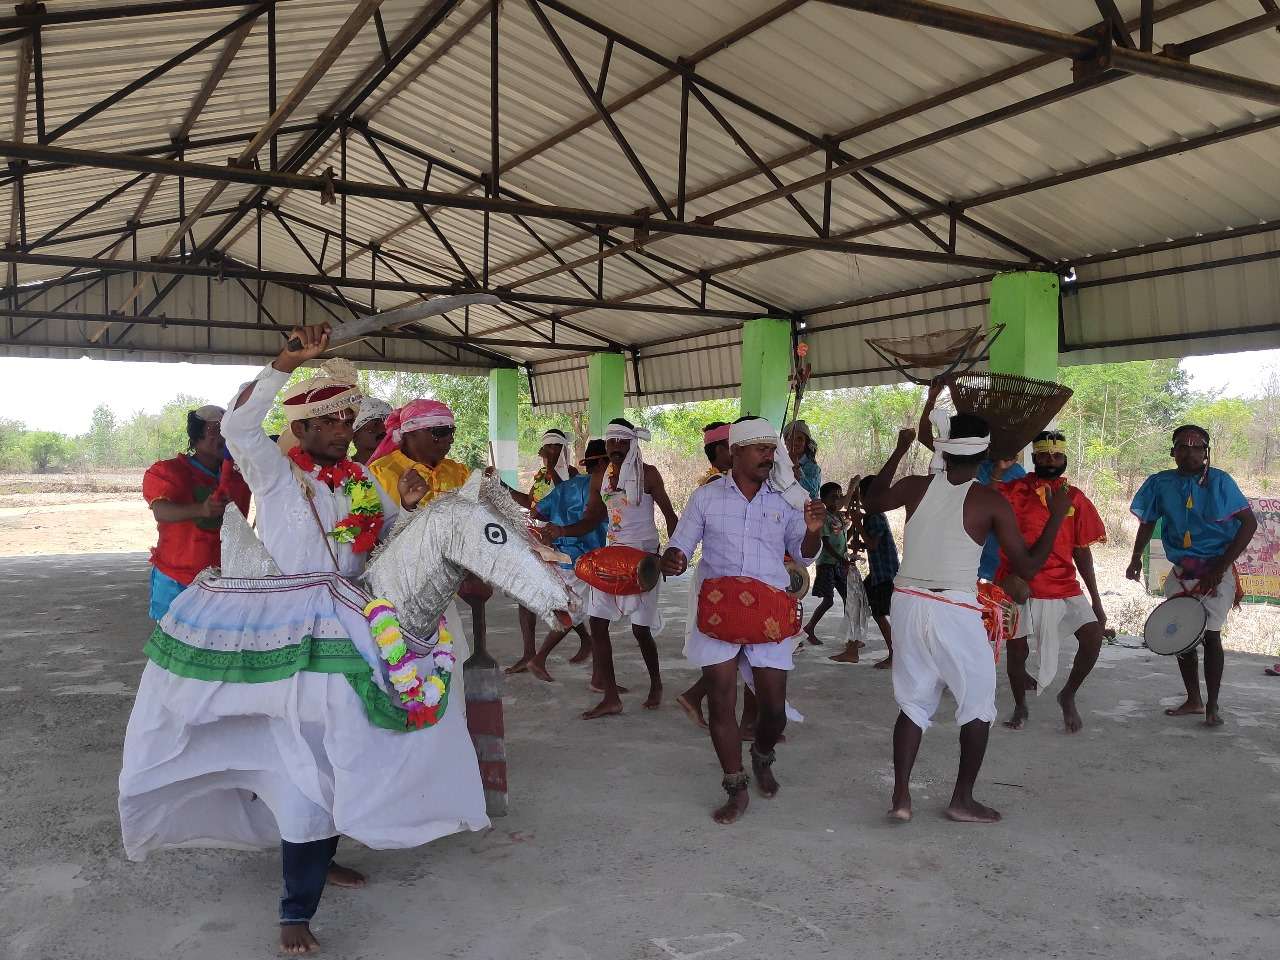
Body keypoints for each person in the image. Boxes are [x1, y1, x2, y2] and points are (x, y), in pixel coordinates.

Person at [119, 326, 489, 956]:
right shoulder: (275, 474)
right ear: (306, 428)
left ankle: (325, 853)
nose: (346, 426)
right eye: (332, 419)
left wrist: (424, 516)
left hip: (356, 618)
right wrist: (284, 364)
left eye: (348, 417)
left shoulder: (360, 479)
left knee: (348, 743)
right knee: (301, 758)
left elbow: (394, 533)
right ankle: (296, 904)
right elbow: (238, 429)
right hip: (290, 623)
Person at [865, 418, 1070, 824]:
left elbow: (871, 502)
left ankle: (901, 798)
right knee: (978, 704)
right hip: (954, 608)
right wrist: (1057, 516)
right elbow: (1027, 566)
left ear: (944, 448)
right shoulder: (989, 500)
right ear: (983, 455)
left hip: (905, 602)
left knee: (913, 702)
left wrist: (902, 446)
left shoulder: (915, 487)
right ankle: (962, 800)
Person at [661, 417, 825, 824]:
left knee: (773, 711)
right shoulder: (707, 498)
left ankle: (762, 755)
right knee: (721, 700)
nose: (769, 456)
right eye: (760, 449)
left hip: (769, 612)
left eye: (772, 449)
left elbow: (804, 555)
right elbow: (680, 546)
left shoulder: (785, 501)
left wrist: (812, 531)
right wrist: (674, 559)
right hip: (720, 609)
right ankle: (735, 786)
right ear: (733, 452)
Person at [540, 418, 678, 718]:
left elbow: (670, 515)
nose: (616, 445)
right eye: (611, 441)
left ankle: (656, 684)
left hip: (644, 560)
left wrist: (672, 554)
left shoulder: (648, 475)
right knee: (598, 623)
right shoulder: (601, 478)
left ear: (633, 443)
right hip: (611, 556)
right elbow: (591, 519)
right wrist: (562, 532)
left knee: (641, 630)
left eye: (621, 440)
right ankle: (611, 696)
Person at [1127, 424, 1259, 727]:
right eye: (1182, 447)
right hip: (1182, 570)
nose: (1189, 453)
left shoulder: (1221, 482)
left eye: (1197, 447)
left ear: (1206, 453)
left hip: (1217, 571)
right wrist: (1135, 558)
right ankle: (1194, 700)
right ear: (1173, 452)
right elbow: (1147, 522)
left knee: (1211, 636)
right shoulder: (1160, 483)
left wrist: (1220, 568)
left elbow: (1248, 524)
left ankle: (1213, 705)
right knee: (1182, 635)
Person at [996, 430, 1108, 733]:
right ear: (1033, 458)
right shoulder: (1014, 491)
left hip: (1064, 584)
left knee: (1092, 637)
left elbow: (1082, 551)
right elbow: (985, 502)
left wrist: (1097, 601)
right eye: (1043, 455)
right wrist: (998, 467)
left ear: (1065, 458)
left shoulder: (1074, 497)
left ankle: (1068, 695)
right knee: (1016, 651)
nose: (1050, 460)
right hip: (1021, 583)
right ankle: (1020, 705)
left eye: (1056, 455)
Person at [141, 404, 250, 620]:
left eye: (227, 431)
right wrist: (201, 509)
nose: (223, 437)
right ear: (196, 435)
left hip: (224, 579)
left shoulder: (241, 479)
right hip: (176, 578)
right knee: (172, 646)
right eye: (215, 431)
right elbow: (161, 511)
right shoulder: (169, 471)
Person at [918, 378, 1026, 582]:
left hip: (999, 565)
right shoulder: (964, 461)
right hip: (961, 563)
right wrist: (931, 399)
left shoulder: (1018, 475)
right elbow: (926, 437)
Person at [525, 438, 610, 682]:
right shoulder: (600, 488)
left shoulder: (567, 486)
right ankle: (539, 658)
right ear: (604, 462)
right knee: (576, 612)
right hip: (584, 560)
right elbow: (589, 523)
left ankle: (598, 676)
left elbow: (537, 510)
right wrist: (563, 530)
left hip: (563, 559)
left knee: (593, 617)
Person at [506, 428, 585, 674]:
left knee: (568, 598)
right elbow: (533, 506)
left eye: (555, 446)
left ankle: (586, 641)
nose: (549, 452)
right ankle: (529, 653)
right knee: (525, 594)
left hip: (564, 544)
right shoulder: (541, 476)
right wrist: (502, 486)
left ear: (564, 449)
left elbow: (566, 499)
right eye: (547, 447)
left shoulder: (571, 475)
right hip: (540, 540)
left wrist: (552, 469)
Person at [675, 422, 739, 728]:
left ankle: (697, 696)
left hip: (740, 579)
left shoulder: (743, 484)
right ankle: (701, 698)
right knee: (732, 649)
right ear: (719, 452)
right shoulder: (710, 491)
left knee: (739, 648)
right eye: (733, 445)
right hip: (720, 581)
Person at [831, 474, 899, 667]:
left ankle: (894, 654)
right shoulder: (872, 514)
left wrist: (859, 525)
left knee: (878, 613)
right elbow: (869, 543)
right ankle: (853, 647)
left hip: (885, 574)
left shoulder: (874, 516)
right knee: (858, 604)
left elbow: (874, 544)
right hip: (880, 573)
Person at [803, 481, 849, 645]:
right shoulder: (824, 518)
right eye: (833, 497)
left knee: (848, 598)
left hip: (838, 562)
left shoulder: (839, 517)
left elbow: (842, 537)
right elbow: (827, 544)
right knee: (828, 600)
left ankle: (850, 634)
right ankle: (809, 627)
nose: (837, 500)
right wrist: (841, 559)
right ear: (823, 499)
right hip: (827, 564)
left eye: (839, 496)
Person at [783, 419, 822, 499]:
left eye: (799, 439)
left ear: (805, 443)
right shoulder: (778, 462)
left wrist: (797, 467)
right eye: (790, 438)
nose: (795, 442)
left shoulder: (813, 468)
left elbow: (812, 494)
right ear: (785, 442)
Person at [350, 396, 391, 465]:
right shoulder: (340, 472)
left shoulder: (402, 468)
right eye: (375, 424)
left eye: (387, 425)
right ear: (354, 435)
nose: (383, 430)